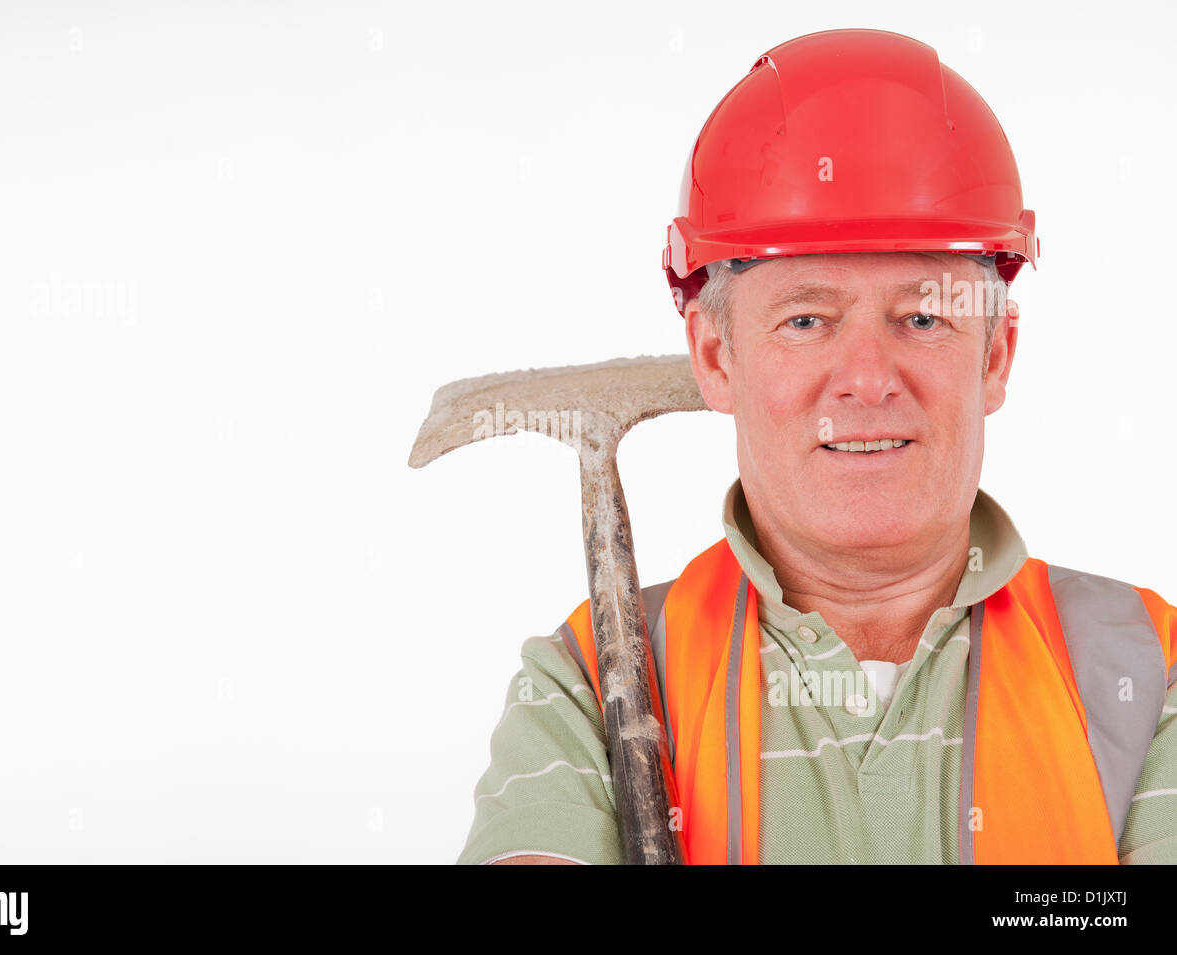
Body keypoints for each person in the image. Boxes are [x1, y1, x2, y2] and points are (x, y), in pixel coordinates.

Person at [455, 28, 1177, 865]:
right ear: (717, 357)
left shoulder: (1146, 674)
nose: (867, 380)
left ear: (996, 355)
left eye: (921, 315)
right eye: (806, 319)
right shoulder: (593, 685)